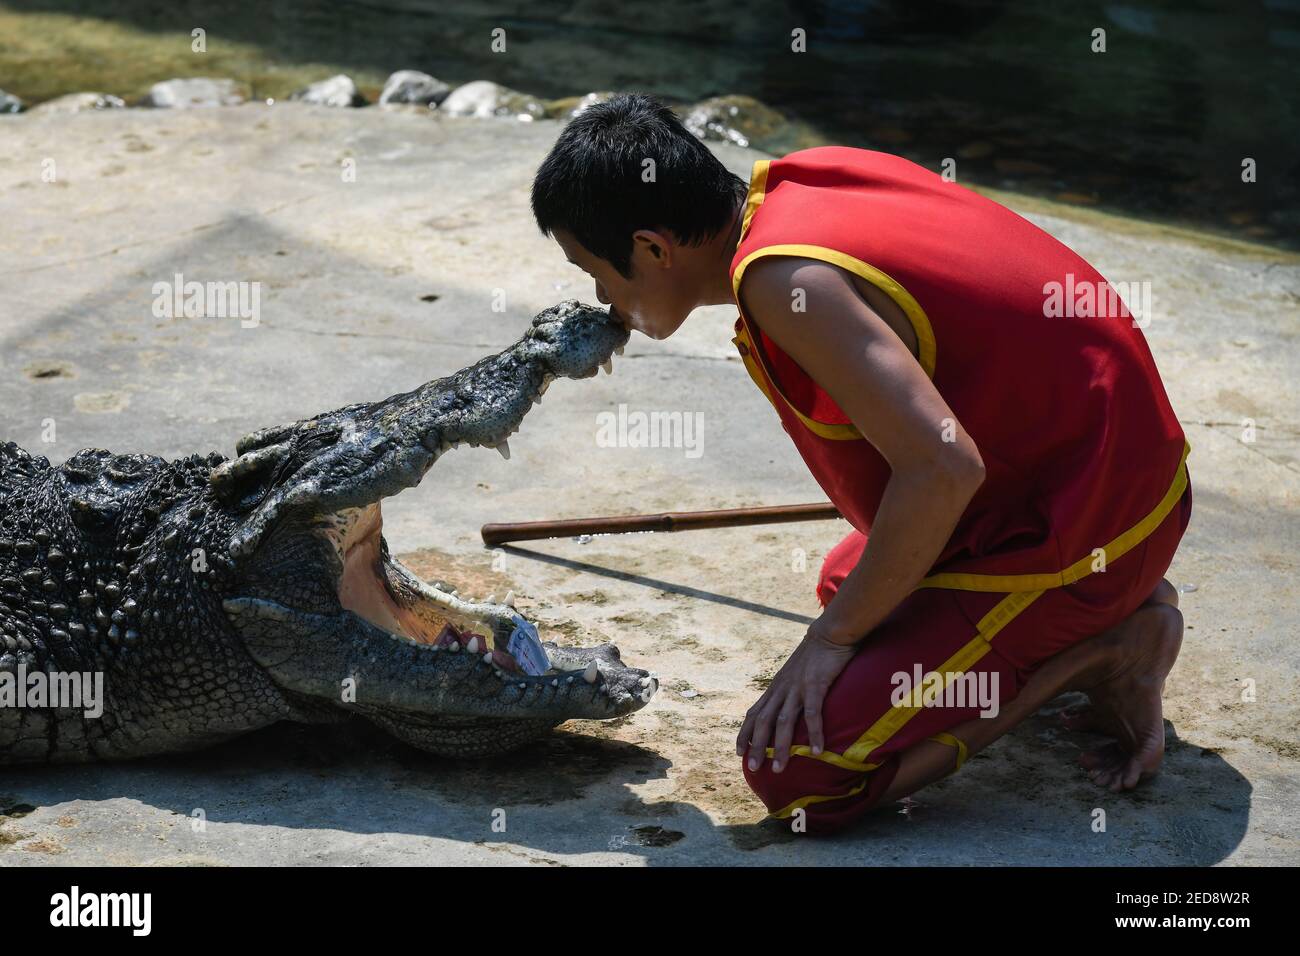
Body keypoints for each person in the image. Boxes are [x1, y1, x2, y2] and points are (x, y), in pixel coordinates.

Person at [528, 93, 1191, 834]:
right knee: (852, 579)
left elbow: (943, 469)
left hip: (1086, 531)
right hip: (1123, 484)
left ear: (653, 249)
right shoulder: (799, 182)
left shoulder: (784, 284)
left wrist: (829, 641)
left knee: (800, 770)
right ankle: (1106, 604)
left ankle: (1101, 652)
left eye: (593, 270)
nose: (598, 296)